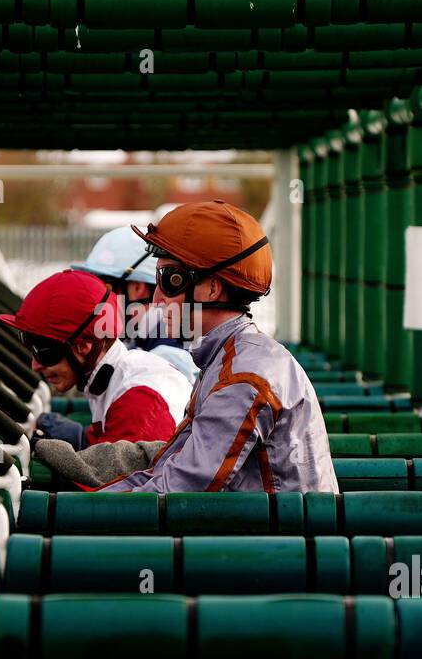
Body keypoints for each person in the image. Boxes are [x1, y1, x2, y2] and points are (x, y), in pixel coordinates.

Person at [100, 200, 338, 494]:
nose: (157, 297)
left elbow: (179, 490)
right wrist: (82, 504)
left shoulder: (243, 376)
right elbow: (165, 472)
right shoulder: (227, 358)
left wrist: (71, 515)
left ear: (212, 287)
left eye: (169, 280)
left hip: (277, 539)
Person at [0, 269, 192, 449]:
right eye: (28, 346)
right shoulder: (117, 378)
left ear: (84, 346)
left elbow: (125, 483)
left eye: (45, 352)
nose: (35, 365)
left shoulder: (138, 399)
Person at [73, 224, 199, 382]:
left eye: (105, 287)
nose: (98, 300)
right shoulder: (143, 336)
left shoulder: (169, 353)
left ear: (138, 288)